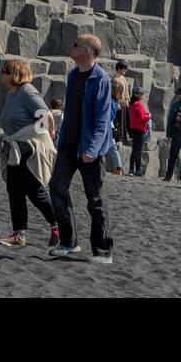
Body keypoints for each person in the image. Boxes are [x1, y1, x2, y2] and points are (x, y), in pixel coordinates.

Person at [48, 34, 115, 263]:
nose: (71, 46)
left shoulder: (101, 79)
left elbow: (102, 119)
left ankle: (103, 252)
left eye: (75, 44)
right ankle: (69, 241)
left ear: (86, 51)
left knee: (95, 199)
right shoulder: (74, 74)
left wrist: (93, 149)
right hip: (68, 145)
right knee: (56, 187)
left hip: (90, 149)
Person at [0, 60, 60, 247]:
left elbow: (46, 115)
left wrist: (44, 134)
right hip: (15, 151)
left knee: (36, 192)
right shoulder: (11, 94)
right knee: (14, 191)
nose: (1, 74)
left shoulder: (27, 91)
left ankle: (57, 227)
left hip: (30, 151)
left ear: (13, 74)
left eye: (4, 71)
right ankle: (19, 234)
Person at [163, 88, 181, 182]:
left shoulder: (175, 106)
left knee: (173, 156)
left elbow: (170, 121)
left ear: (180, 96)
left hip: (177, 134)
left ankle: (168, 176)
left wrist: (169, 135)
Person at [104, 76, 126, 175]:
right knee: (109, 146)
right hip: (111, 123)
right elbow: (119, 108)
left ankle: (118, 167)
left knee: (111, 147)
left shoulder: (108, 101)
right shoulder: (116, 102)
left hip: (107, 124)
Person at [127, 88, 151, 176]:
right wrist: (149, 116)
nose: (142, 95)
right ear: (136, 95)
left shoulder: (131, 104)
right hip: (140, 130)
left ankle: (131, 169)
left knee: (134, 150)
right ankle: (138, 170)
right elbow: (143, 119)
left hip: (133, 128)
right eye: (141, 93)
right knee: (139, 150)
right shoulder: (138, 105)